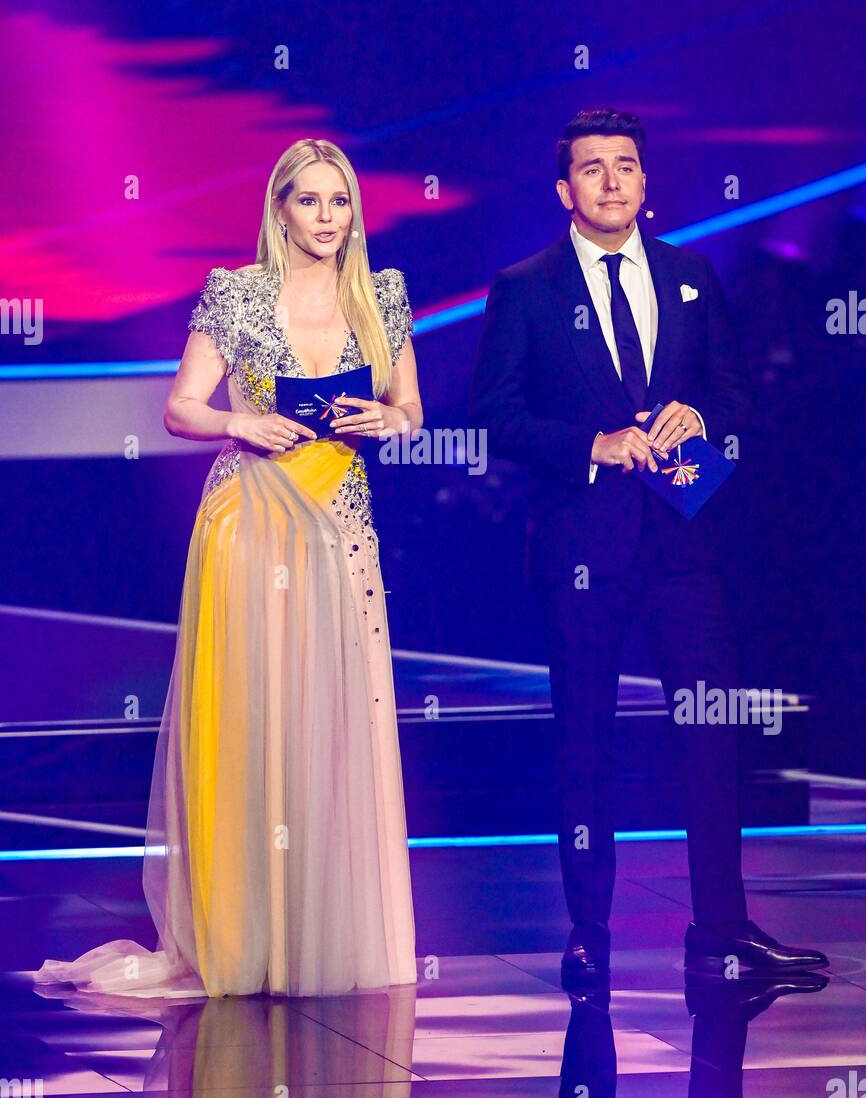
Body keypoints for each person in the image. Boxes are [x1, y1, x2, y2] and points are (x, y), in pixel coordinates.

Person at [34, 139, 421, 999]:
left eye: (340, 202)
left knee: (335, 719)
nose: (327, 217)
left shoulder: (379, 296)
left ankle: (326, 938)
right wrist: (241, 424)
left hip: (339, 516)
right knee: (254, 719)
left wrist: (383, 420)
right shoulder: (236, 293)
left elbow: (411, 409)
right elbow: (179, 407)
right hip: (251, 518)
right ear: (280, 208)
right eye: (310, 201)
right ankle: (244, 939)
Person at [468, 107, 828, 981]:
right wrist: (590, 446)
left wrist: (699, 415)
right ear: (565, 190)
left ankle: (722, 929)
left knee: (710, 734)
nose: (613, 180)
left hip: (683, 543)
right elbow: (494, 417)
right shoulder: (527, 287)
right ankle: (589, 931)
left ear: (644, 181)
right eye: (593, 168)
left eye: (626, 165)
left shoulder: (693, 275)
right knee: (585, 739)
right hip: (580, 549)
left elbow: (738, 395)